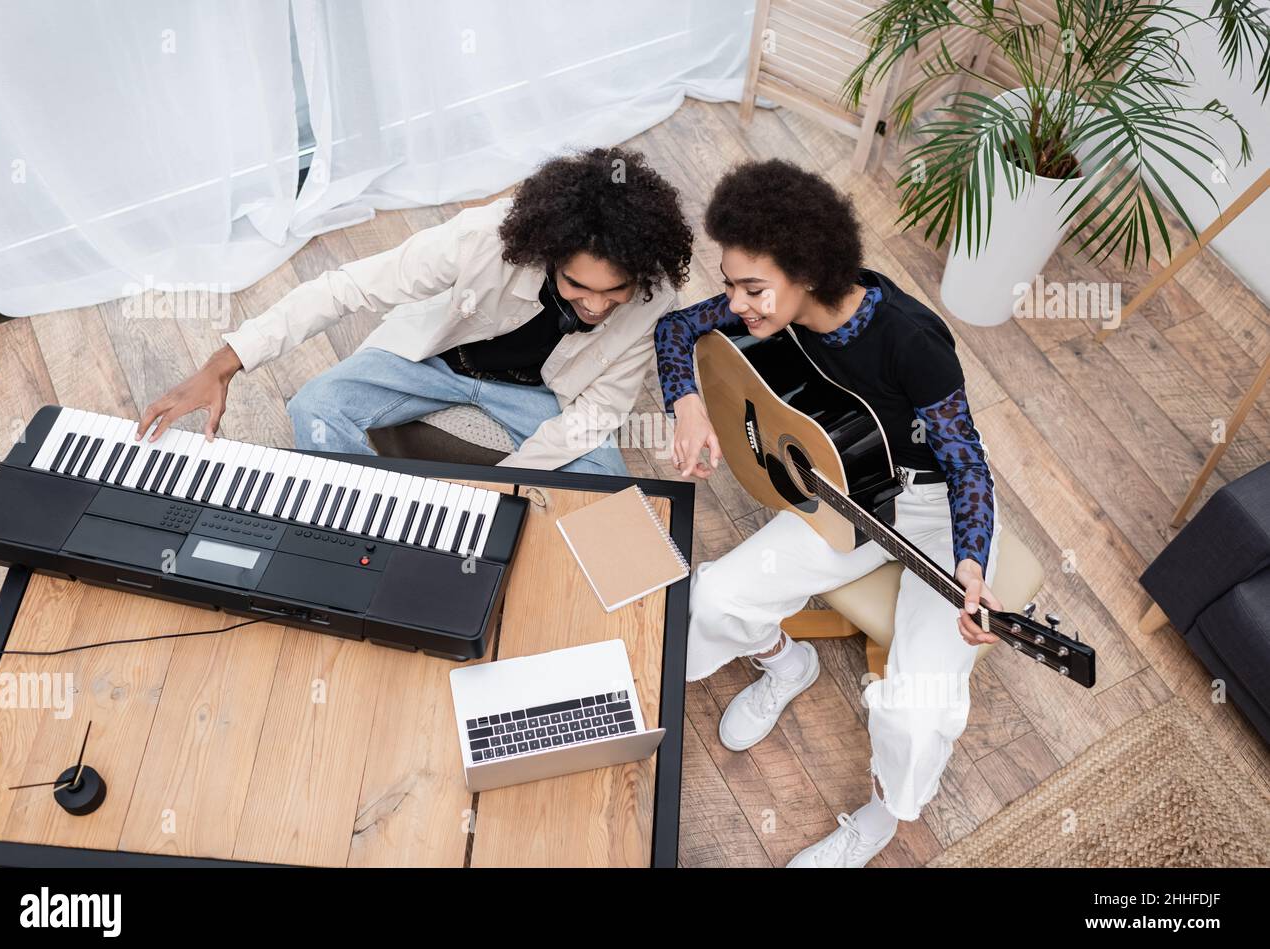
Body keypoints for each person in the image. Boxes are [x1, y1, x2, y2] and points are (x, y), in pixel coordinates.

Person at [654, 159, 1002, 867]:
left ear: (806, 270)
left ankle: (879, 816)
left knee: (917, 706)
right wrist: (686, 402)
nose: (736, 303)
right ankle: (786, 663)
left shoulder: (912, 338)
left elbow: (966, 461)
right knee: (715, 593)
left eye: (752, 287)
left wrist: (969, 561)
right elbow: (674, 329)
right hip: (848, 488)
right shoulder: (766, 303)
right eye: (730, 284)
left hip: (931, 506)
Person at [138, 148, 693, 474]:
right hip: (434, 362)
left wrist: (504, 484)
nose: (596, 305)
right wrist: (223, 362)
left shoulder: (654, 297)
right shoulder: (482, 238)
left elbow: (600, 409)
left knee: (605, 473)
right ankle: (370, 521)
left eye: (613, 291)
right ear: (549, 253)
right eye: (577, 284)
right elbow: (346, 289)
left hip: (537, 397)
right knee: (318, 405)